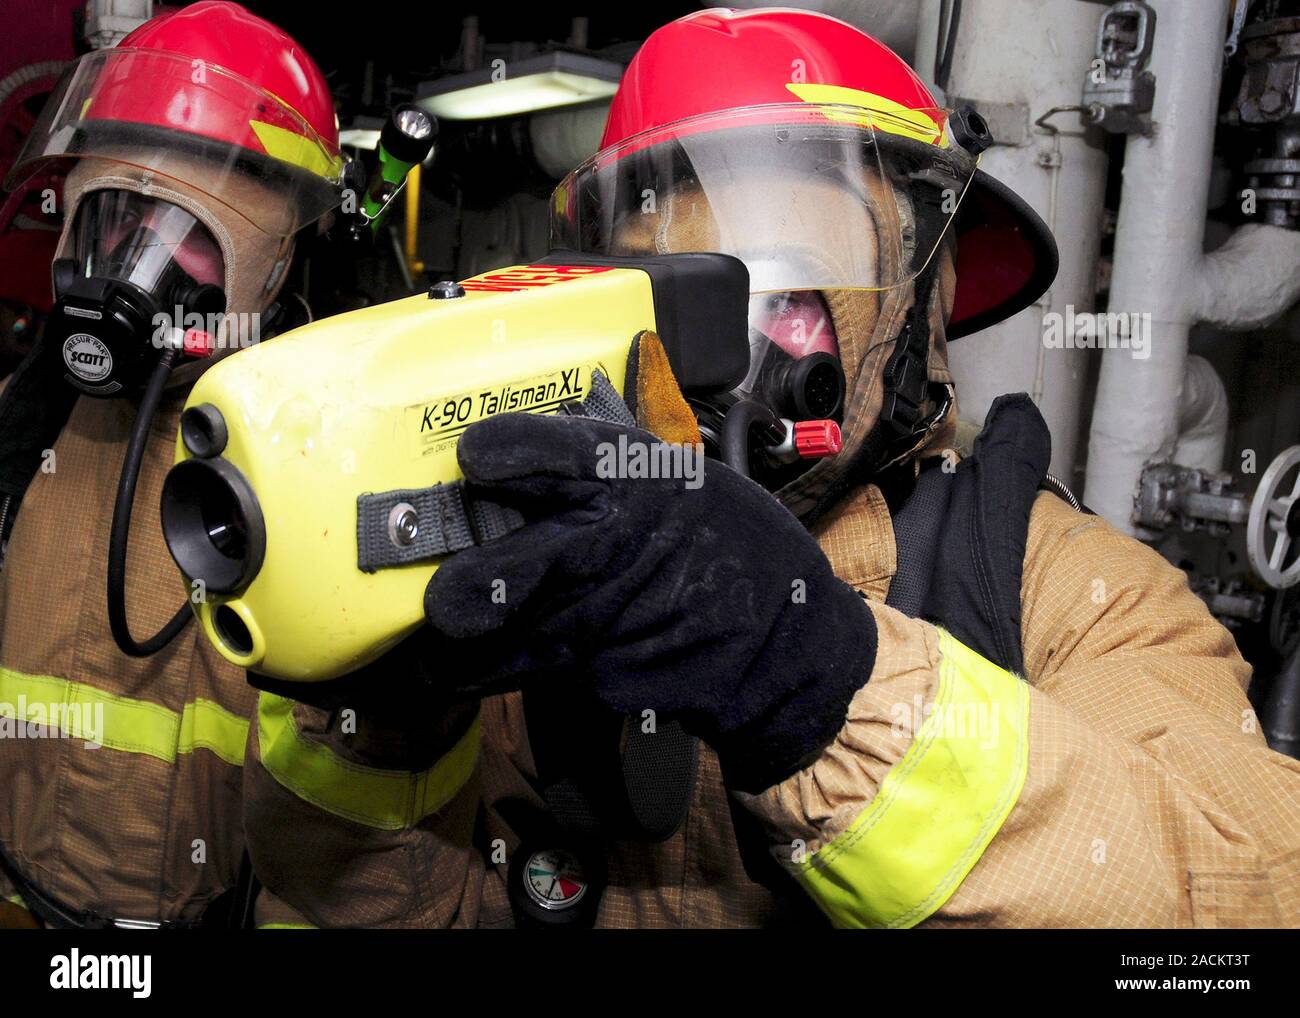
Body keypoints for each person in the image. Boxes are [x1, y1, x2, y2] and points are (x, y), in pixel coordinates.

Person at [239, 7, 1300, 929]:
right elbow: (387, 910)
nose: (727, 357)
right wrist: (385, 737)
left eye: (790, 295)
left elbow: (1238, 894)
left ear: (914, 311)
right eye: (679, 294)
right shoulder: (556, 566)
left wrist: (817, 679)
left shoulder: (1066, 593)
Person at [0, 1, 345, 928]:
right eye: (109, 219)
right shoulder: (18, 435)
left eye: (177, 229)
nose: (127, 264)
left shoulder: (325, 480)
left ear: (266, 271)